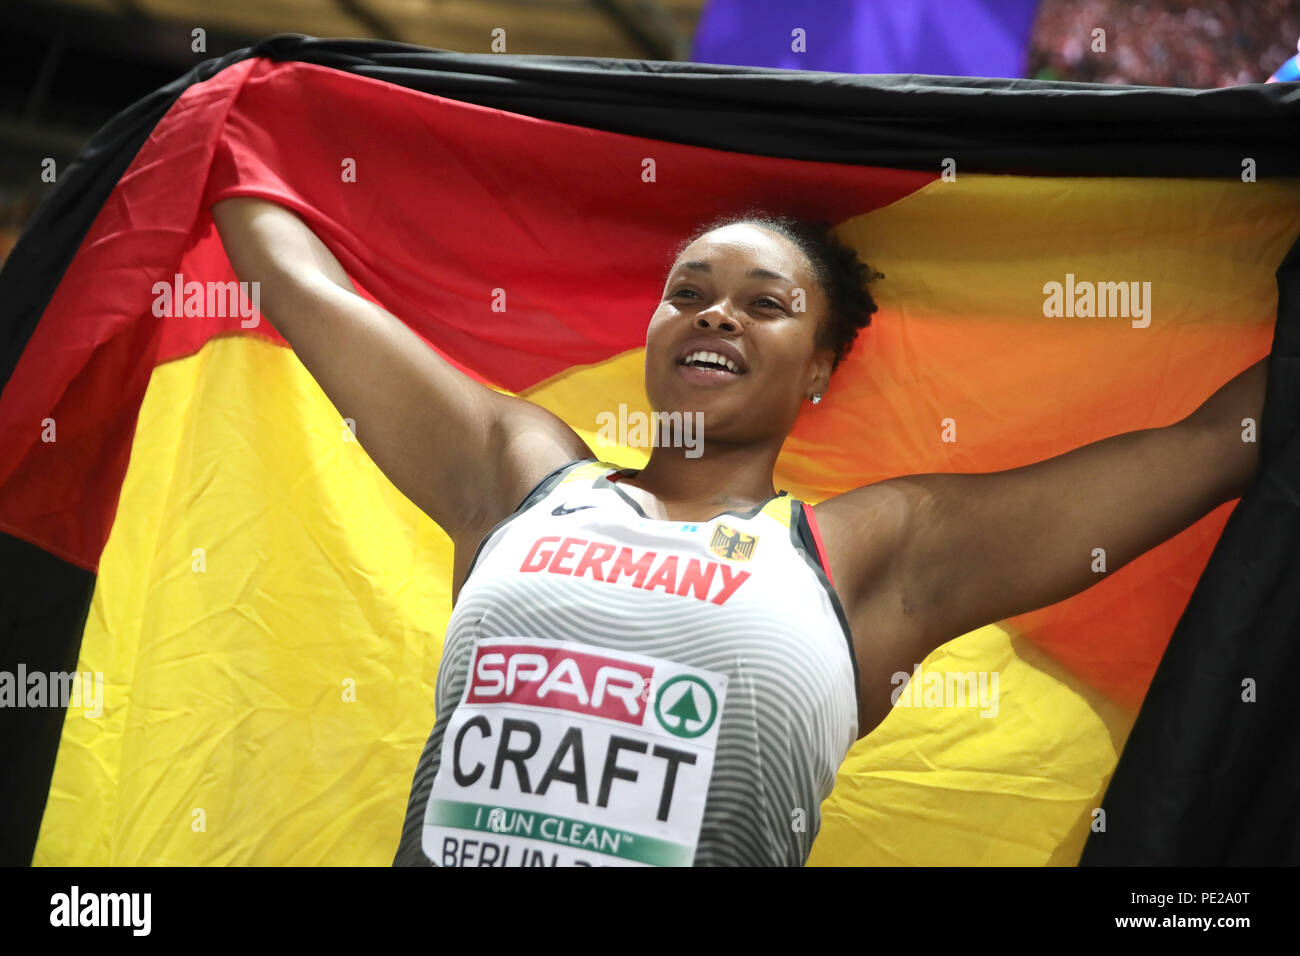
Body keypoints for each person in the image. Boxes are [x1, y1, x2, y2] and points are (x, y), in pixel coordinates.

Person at [211, 197, 1267, 866]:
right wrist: (234, 115)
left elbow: (1223, 437)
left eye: (765, 302)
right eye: (689, 292)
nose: (715, 314)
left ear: (819, 368)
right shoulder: (517, 472)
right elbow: (296, 278)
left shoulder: (873, 553)